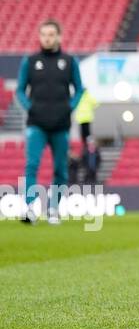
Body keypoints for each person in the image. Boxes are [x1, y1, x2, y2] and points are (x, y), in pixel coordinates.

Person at [16, 19, 84, 225]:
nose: (47, 38)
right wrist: (30, 107)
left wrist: (70, 107)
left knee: (60, 169)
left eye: (51, 34)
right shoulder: (30, 61)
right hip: (36, 123)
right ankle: (30, 208)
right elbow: (20, 90)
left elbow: (80, 89)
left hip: (61, 125)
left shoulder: (70, 62)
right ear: (40, 37)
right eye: (44, 34)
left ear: (59, 37)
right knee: (32, 164)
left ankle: (53, 209)